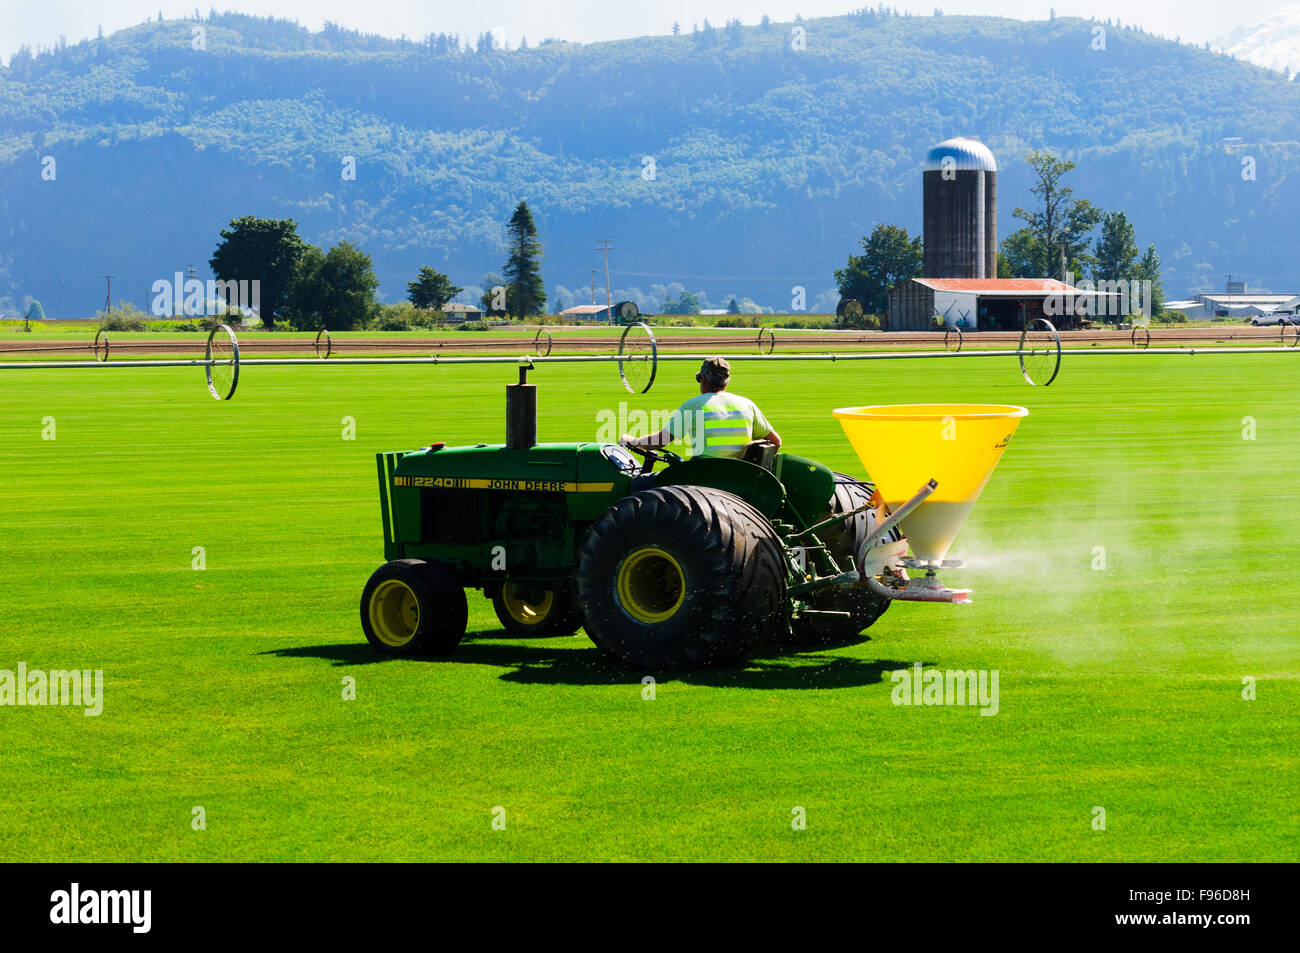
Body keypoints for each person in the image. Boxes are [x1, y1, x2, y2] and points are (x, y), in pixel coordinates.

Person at [621, 357, 781, 459]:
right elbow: (775, 442)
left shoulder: (693, 405)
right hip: (739, 478)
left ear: (702, 379)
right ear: (727, 381)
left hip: (703, 476)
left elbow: (660, 440)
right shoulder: (747, 404)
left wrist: (632, 442)